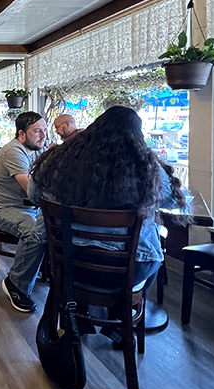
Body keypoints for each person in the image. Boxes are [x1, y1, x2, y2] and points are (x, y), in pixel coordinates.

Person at [28, 105, 185, 340]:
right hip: (127, 271)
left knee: (82, 243)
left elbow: (33, 195)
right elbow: (172, 201)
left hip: (69, 264)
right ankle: (120, 317)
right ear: (137, 136)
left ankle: (80, 315)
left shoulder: (62, 159)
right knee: (150, 257)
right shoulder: (145, 167)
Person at [0, 111, 48, 313]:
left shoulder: (35, 150)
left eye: (45, 131)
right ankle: (16, 284)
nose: (43, 136)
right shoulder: (14, 151)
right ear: (21, 134)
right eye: (37, 131)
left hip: (25, 208)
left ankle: (37, 272)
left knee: (52, 227)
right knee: (35, 233)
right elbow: (31, 190)